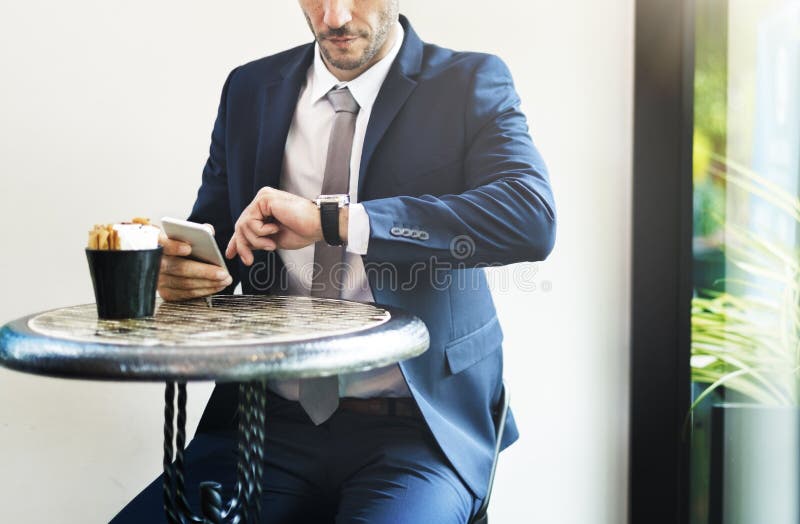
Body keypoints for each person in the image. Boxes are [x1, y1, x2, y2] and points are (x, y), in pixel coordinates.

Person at [113, 0, 555, 522]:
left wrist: (335, 222)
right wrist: (188, 272)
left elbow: (530, 218)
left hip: (416, 430)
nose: (335, 17)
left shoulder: (469, 81)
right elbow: (223, 246)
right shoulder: (249, 89)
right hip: (265, 422)